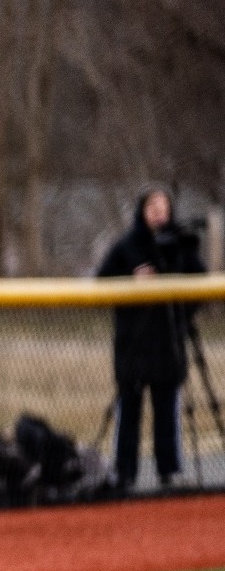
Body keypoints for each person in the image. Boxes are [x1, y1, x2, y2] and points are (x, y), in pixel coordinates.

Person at [97, 185, 205, 489]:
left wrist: (182, 317)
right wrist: (132, 281)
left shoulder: (181, 245)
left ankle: (169, 470)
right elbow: (100, 282)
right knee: (129, 408)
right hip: (133, 343)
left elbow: (202, 283)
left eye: (164, 207)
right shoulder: (127, 246)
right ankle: (125, 472)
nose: (159, 213)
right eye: (153, 207)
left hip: (167, 343)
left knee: (167, 410)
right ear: (142, 211)